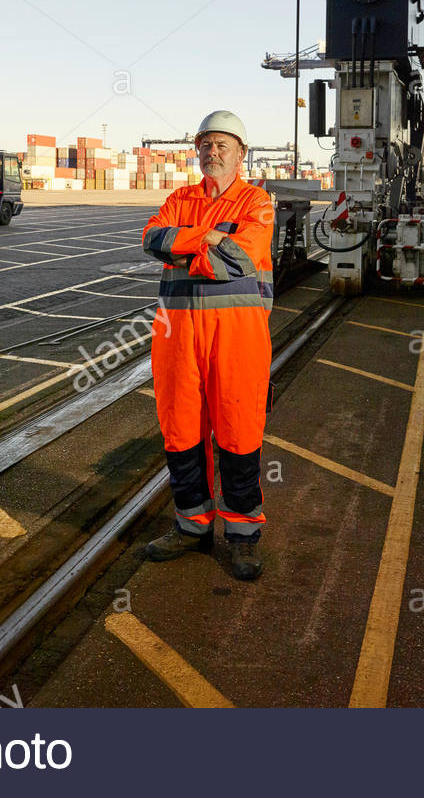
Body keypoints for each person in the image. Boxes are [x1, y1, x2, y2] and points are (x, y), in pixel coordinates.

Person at [140, 110, 274, 580]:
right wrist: (211, 238)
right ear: (197, 150)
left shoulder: (257, 202)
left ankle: (242, 537)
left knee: (238, 433)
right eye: (206, 144)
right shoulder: (179, 197)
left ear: (240, 153)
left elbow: (238, 258)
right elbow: (153, 239)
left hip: (237, 338)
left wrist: (191, 246)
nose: (213, 152)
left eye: (222, 145)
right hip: (176, 338)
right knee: (180, 431)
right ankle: (192, 526)